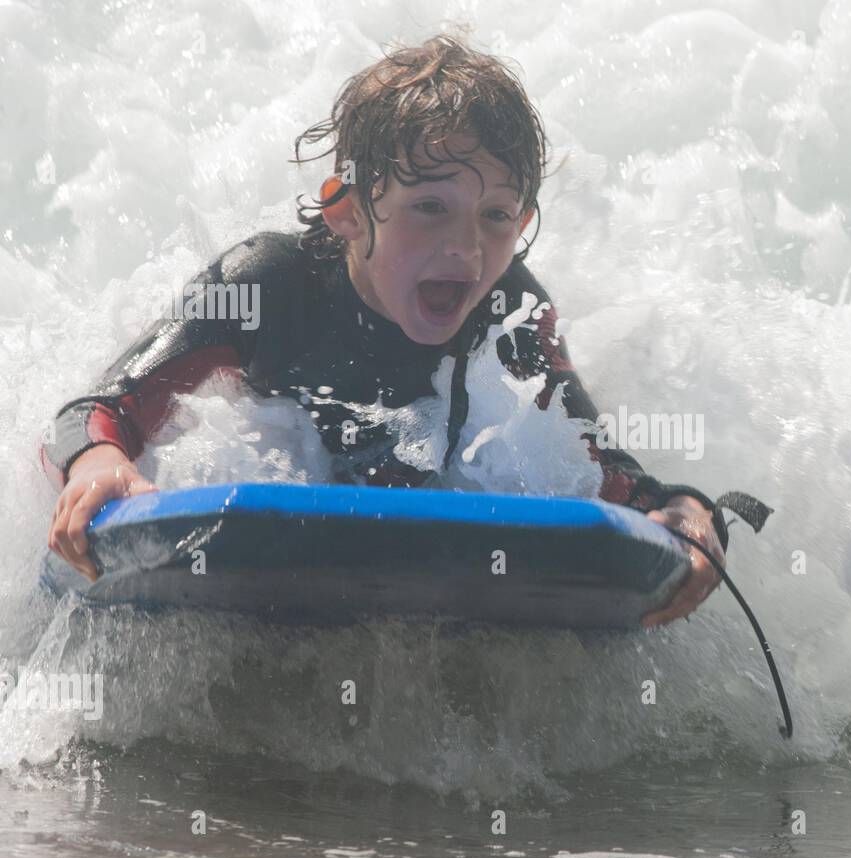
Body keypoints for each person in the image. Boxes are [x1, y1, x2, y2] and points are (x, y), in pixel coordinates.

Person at [42, 35, 769, 628]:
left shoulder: (509, 315)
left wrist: (690, 512)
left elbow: (611, 476)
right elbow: (96, 414)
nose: (467, 249)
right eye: (430, 209)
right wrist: (98, 462)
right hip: (281, 524)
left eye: (495, 219)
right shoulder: (268, 286)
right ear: (350, 212)